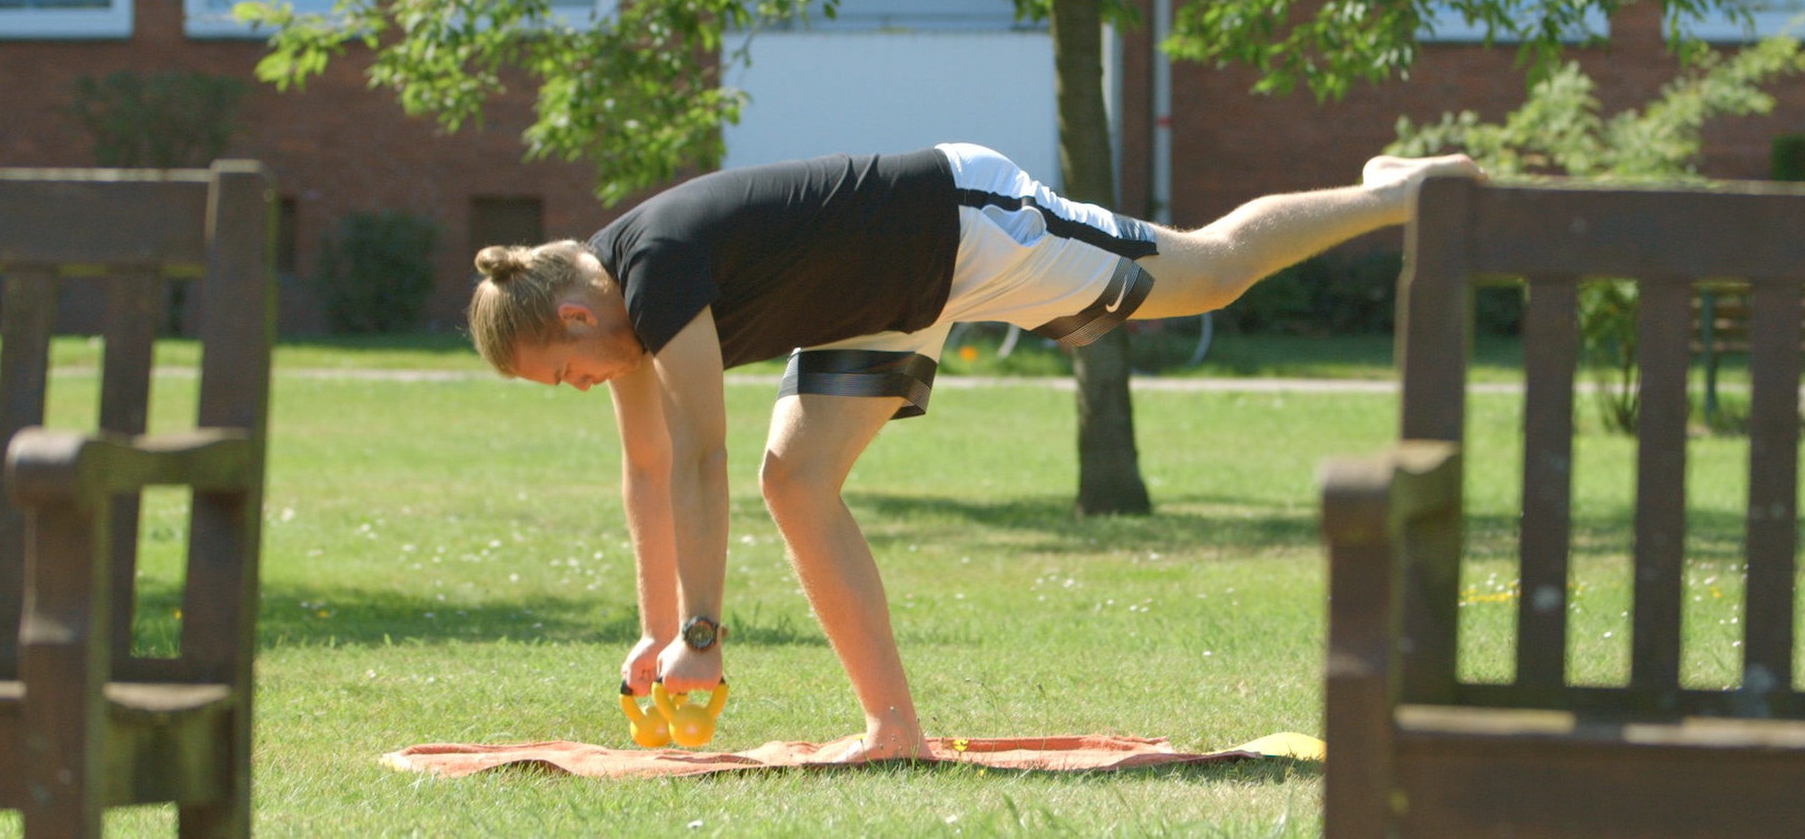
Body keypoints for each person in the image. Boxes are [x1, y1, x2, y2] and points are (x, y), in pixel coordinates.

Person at [466, 143, 1483, 761]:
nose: (582, 386)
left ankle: (1396, 191)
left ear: (572, 315)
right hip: (876, 297)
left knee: (1210, 271)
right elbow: (649, 471)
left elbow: (698, 457)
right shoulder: (620, 311)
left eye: (566, 374)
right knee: (798, 483)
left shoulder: (652, 272)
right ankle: (894, 731)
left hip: (965, 225)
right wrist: (658, 634)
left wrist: (701, 630)